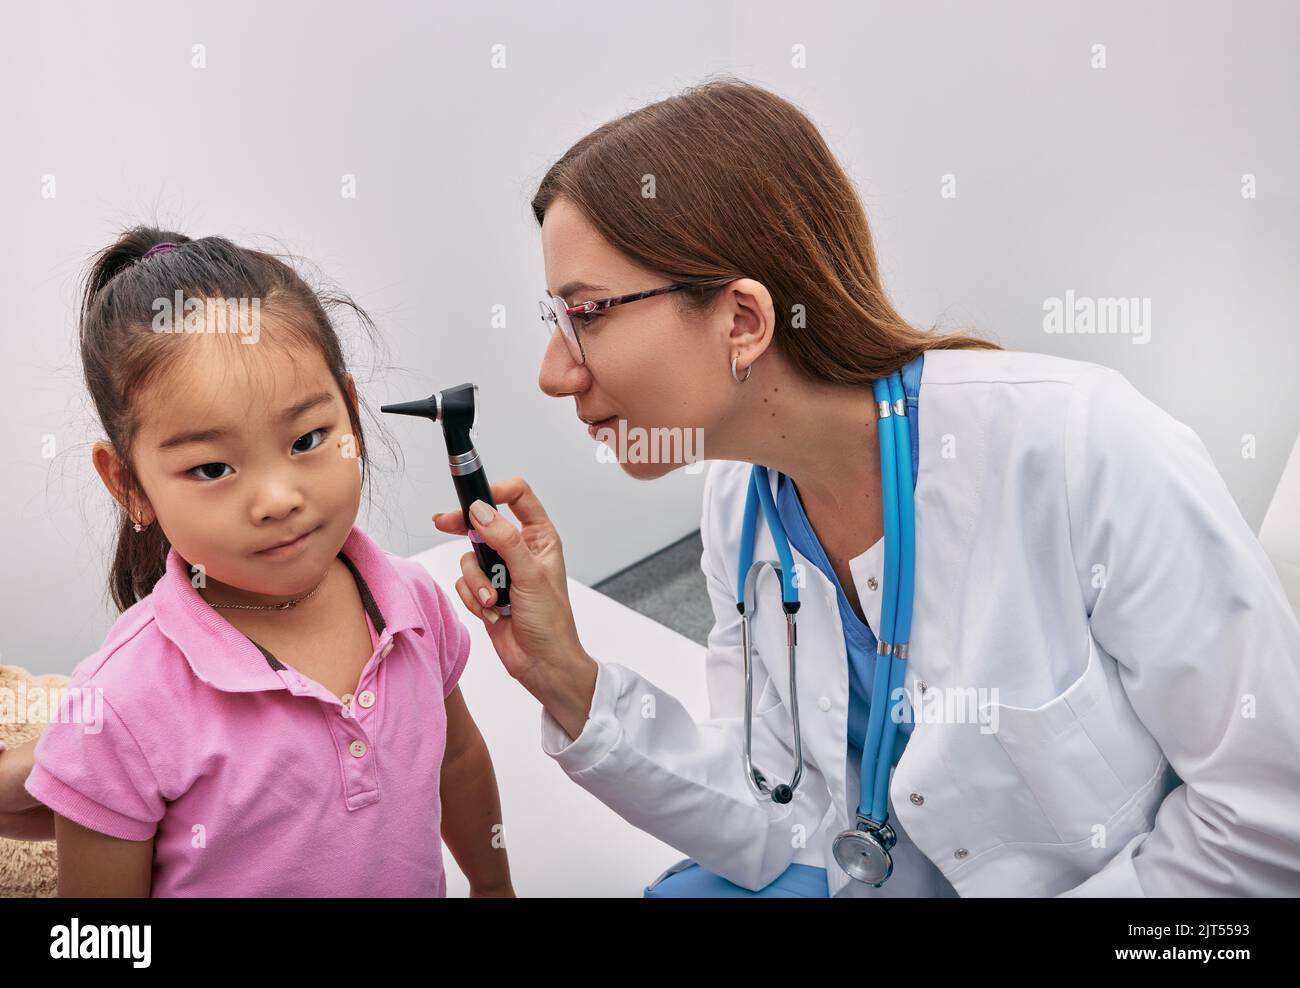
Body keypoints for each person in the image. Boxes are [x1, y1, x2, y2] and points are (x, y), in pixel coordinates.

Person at [431, 78, 1300, 897]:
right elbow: (779, 813)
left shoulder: (1083, 454)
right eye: (555, 319)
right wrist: (568, 677)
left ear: (743, 320)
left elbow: (1266, 824)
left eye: (585, 315)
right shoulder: (742, 509)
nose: (553, 373)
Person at [5, 229, 512, 897]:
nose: (279, 498)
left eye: (307, 439)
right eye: (212, 468)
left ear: (351, 418)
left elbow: (457, 757)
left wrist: (493, 887)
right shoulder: (122, 705)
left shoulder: (412, 603)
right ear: (129, 484)